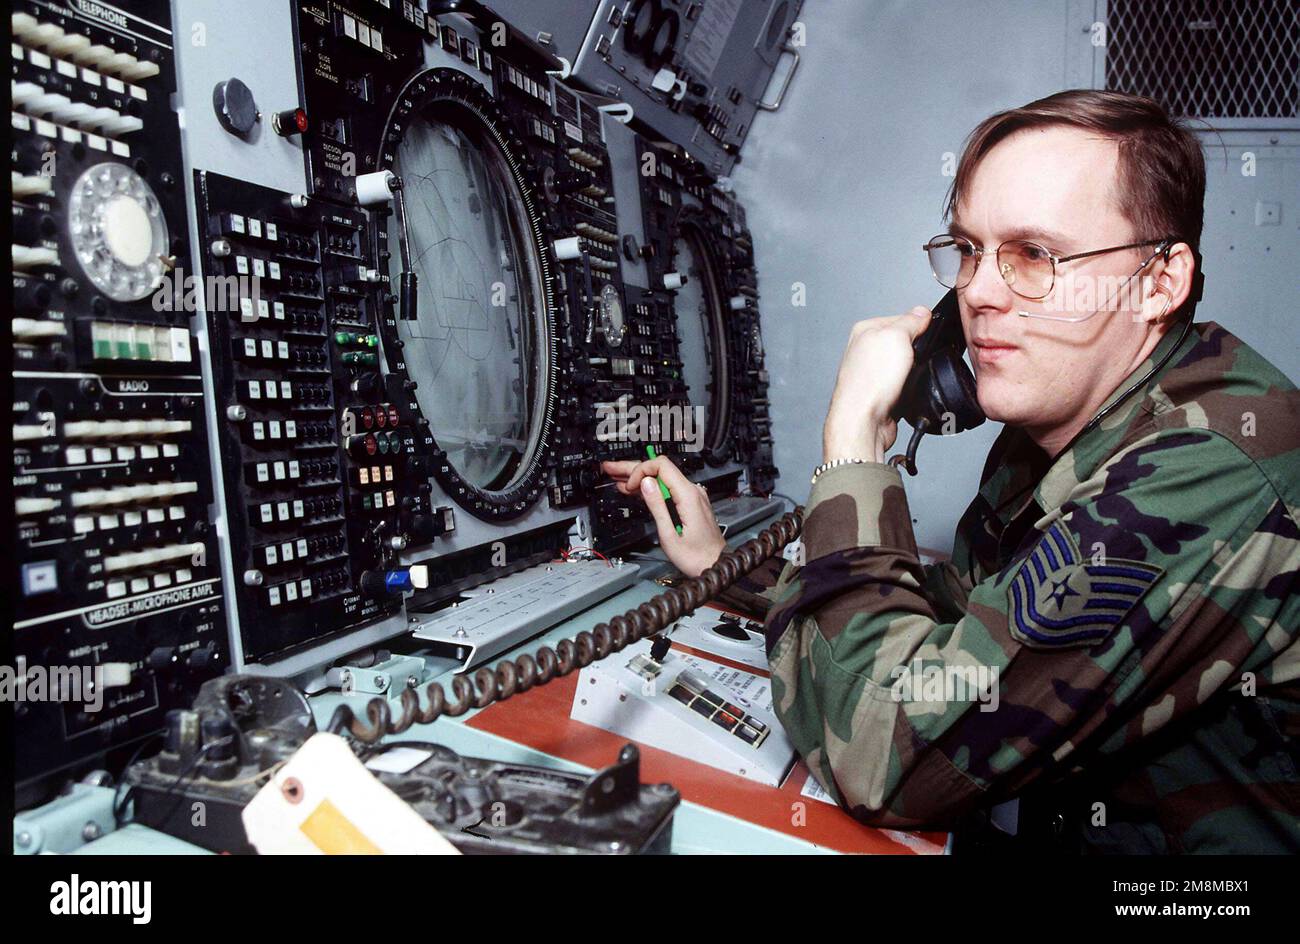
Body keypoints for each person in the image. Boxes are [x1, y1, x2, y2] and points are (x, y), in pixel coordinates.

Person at [602, 90, 1300, 854]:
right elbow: (966, 627)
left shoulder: (1208, 468)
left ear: (1160, 283)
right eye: (968, 250)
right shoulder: (1064, 417)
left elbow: (881, 755)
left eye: (1033, 255)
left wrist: (853, 447)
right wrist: (721, 568)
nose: (976, 292)